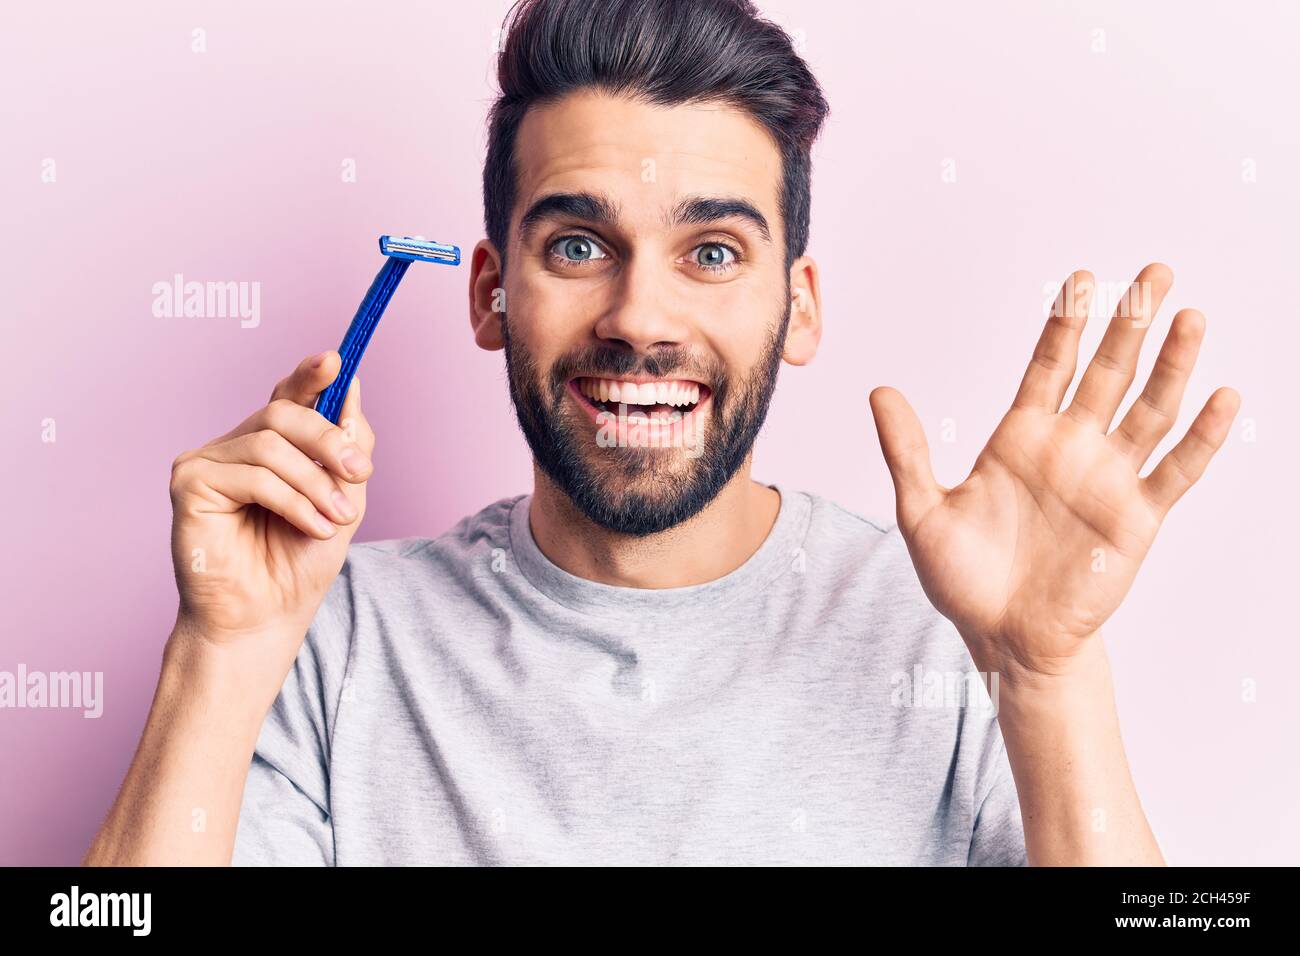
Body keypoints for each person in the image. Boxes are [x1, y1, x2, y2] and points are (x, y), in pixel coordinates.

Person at [85, 0, 1238, 866]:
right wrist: (219, 654)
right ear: (489, 291)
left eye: (715, 252)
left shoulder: (954, 636)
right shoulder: (330, 640)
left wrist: (1048, 677)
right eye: (579, 244)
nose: (640, 316)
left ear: (800, 305)